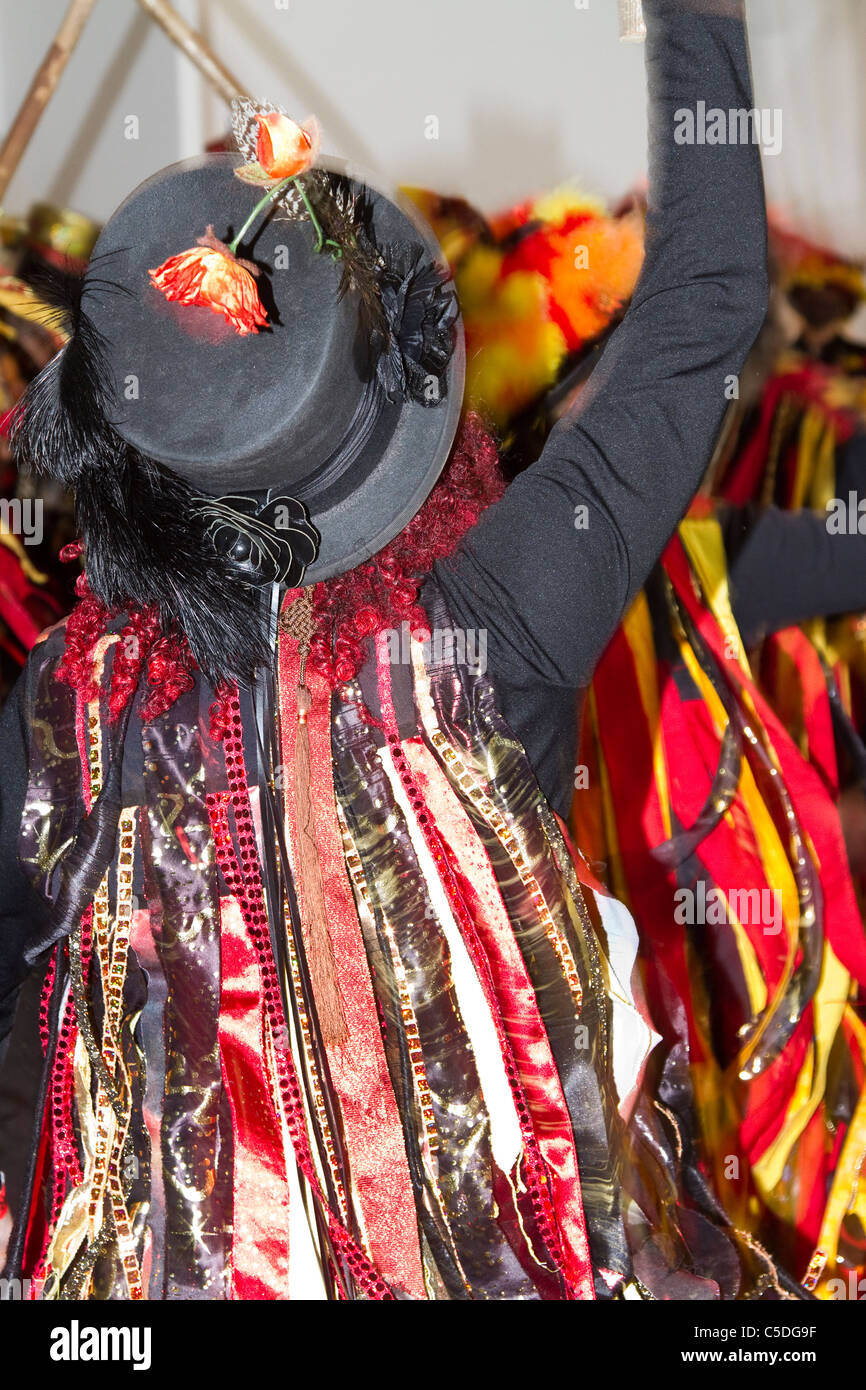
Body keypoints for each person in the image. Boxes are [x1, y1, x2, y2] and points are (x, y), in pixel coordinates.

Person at [0, 0, 772, 1300]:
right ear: (382, 418)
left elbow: (33, 986)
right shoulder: (494, 611)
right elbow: (704, 303)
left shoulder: (68, 701)